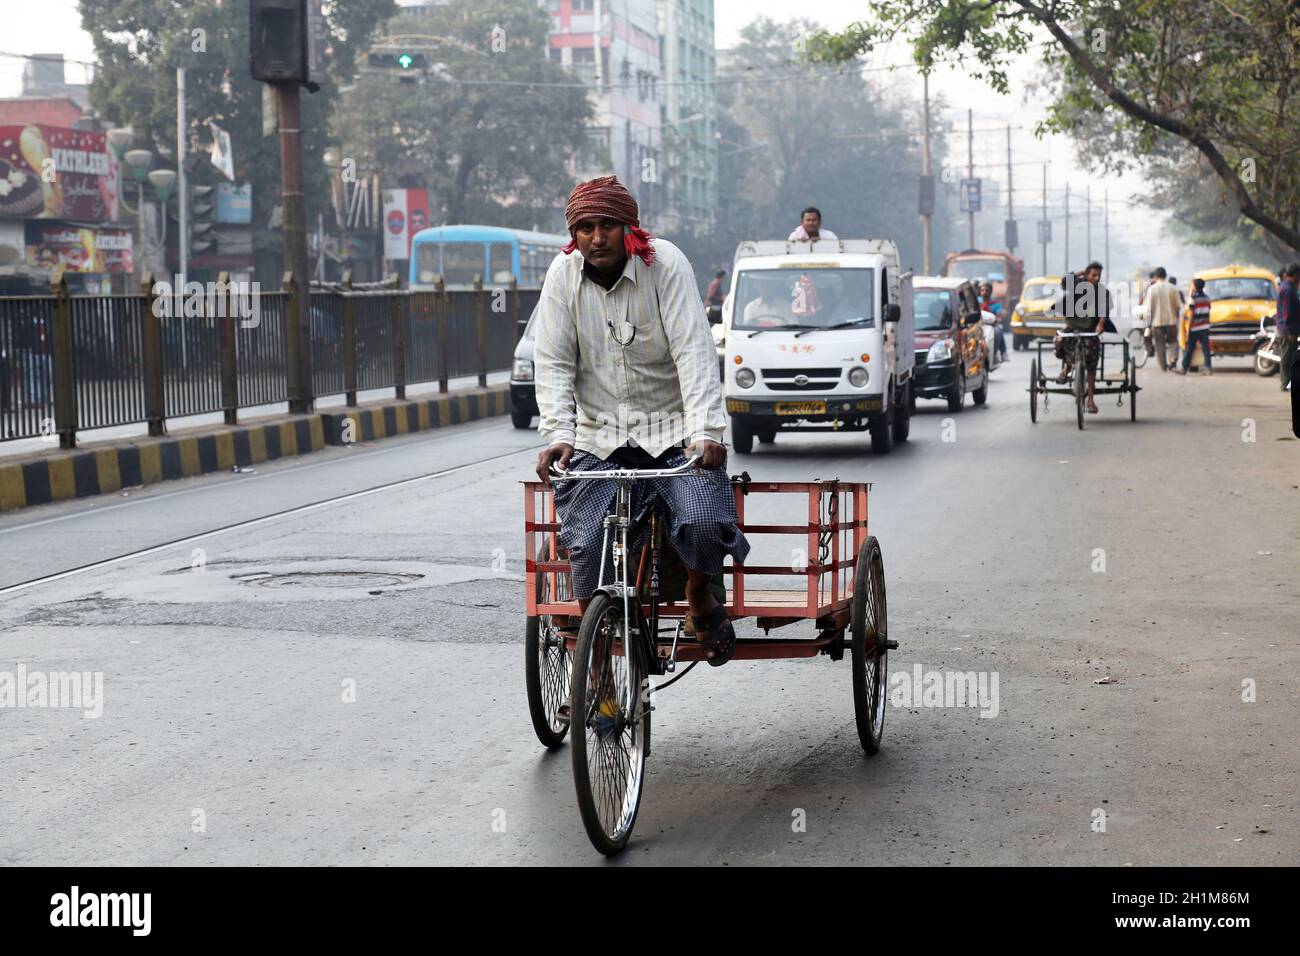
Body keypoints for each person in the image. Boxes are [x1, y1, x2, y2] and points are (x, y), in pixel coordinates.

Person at [533, 175, 750, 665]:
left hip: (673, 434)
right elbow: (553, 363)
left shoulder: (666, 264)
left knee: (701, 520)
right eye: (585, 227)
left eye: (608, 225)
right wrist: (559, 436)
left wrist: (706, 434)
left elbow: (694, 351)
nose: (597, 237)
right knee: (585, 541)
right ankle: (597, 670)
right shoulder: (562, 275)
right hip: (597, 437)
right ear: (574, 234)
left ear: (630, 230)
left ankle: (698, 595)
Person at [1054, 261, 1110, 413]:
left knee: (1091, 364)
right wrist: (1081, 273)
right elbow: (1064, 281)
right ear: (1087, 274)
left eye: (1099, 275)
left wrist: (1100, 324)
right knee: (1060, 343)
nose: (1097, 278)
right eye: (1093, 275)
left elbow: (1104, 310)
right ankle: (1066, 368)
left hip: (1090, 328)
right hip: (1073, 325)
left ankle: (1090, 400)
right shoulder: (1077, 284)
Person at [1145, 267, 1182, 371]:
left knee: (1159, 343)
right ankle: (1173, 359)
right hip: (1172, 320)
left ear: (1156, 276)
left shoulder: (1152, 289)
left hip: (1157, 322)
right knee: (1173, 341)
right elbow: (1178, 306)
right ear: (1165, 276)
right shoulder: (1173, 288)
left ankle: (1163, 366)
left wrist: (1148, 322)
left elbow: (1148, 308)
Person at [1175, 277, 1213, 375]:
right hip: (1205, 326)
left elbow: (1191, 314)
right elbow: (1208, 309)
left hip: (1195, 327)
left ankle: (1184, 368)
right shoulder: (1207, 298)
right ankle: (1208, 368)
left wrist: (1189, 329)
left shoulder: (1193, 299)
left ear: (1195, 287)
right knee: (1206, 349)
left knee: (1189, 348)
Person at [1276, 263, 1300, 393]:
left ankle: (1287, 382)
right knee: (1287, 357)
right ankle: (1285, 383)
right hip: (1288, 330)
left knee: (1289, 356)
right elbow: (1287, 313)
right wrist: (1290, 331)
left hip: (1287, 328)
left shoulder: (1286, 287)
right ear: (1296, 275)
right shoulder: (1288, 290)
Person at [979, 281, 1008, 360]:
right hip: (978, 325)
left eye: (987, 290)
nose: (984, 292)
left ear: (990, 292)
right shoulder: (977, 302)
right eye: (982, 290)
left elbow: (999, 314)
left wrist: (999, 318)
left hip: (991, 325)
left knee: (998, 331)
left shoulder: (996, 304)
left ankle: (1002, 352)